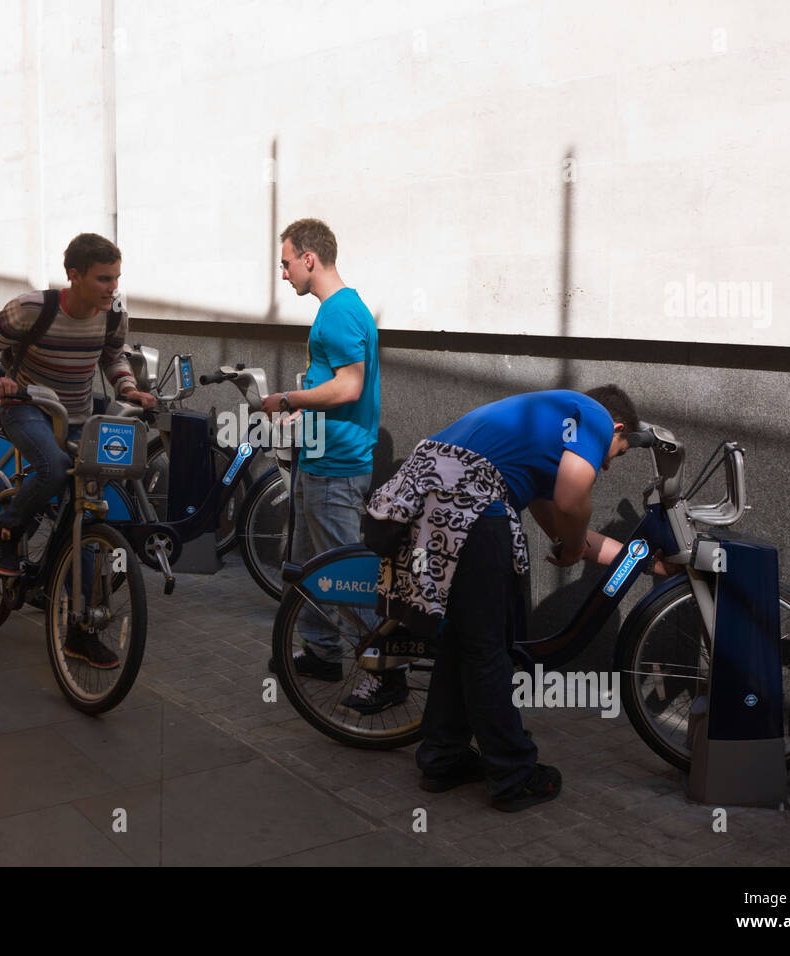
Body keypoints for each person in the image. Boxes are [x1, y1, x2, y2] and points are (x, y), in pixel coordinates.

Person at [366, 385, 670, 811]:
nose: (606, 463)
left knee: (464, 642)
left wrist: (650, 564)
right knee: (489, 650)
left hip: (429, 502)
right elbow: (571, 501)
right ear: (617, 428)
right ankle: (513, 774)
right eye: (616, 453)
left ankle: (443, 758)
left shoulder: (539, 438)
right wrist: (574, 538)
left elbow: (567, 533)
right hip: (470, 508)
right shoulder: (596, 416)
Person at [0, 233, 155, 666]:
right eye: (104, 279)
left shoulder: (113, 313)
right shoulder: (34, 308)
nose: (113, 288)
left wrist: (128, 387)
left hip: (80, 417)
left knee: (84, 518)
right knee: (52, 468)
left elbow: (113, 354)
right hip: (27, 408)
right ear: (74, 275)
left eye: (117, 278)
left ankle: (78, 632)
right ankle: (6, 532)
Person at [262, 218, 388, 713]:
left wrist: (287, 396)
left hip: (335, 468)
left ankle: (385, 671)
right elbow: (337, 386)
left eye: (287, 263)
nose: (285, 273)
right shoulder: (345, 308)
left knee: (347, 576)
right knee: (308, 568)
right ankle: (321, 652)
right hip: (321, 461)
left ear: (309, 259)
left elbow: (349, 386)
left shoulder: (336, 314)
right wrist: (304, 407)